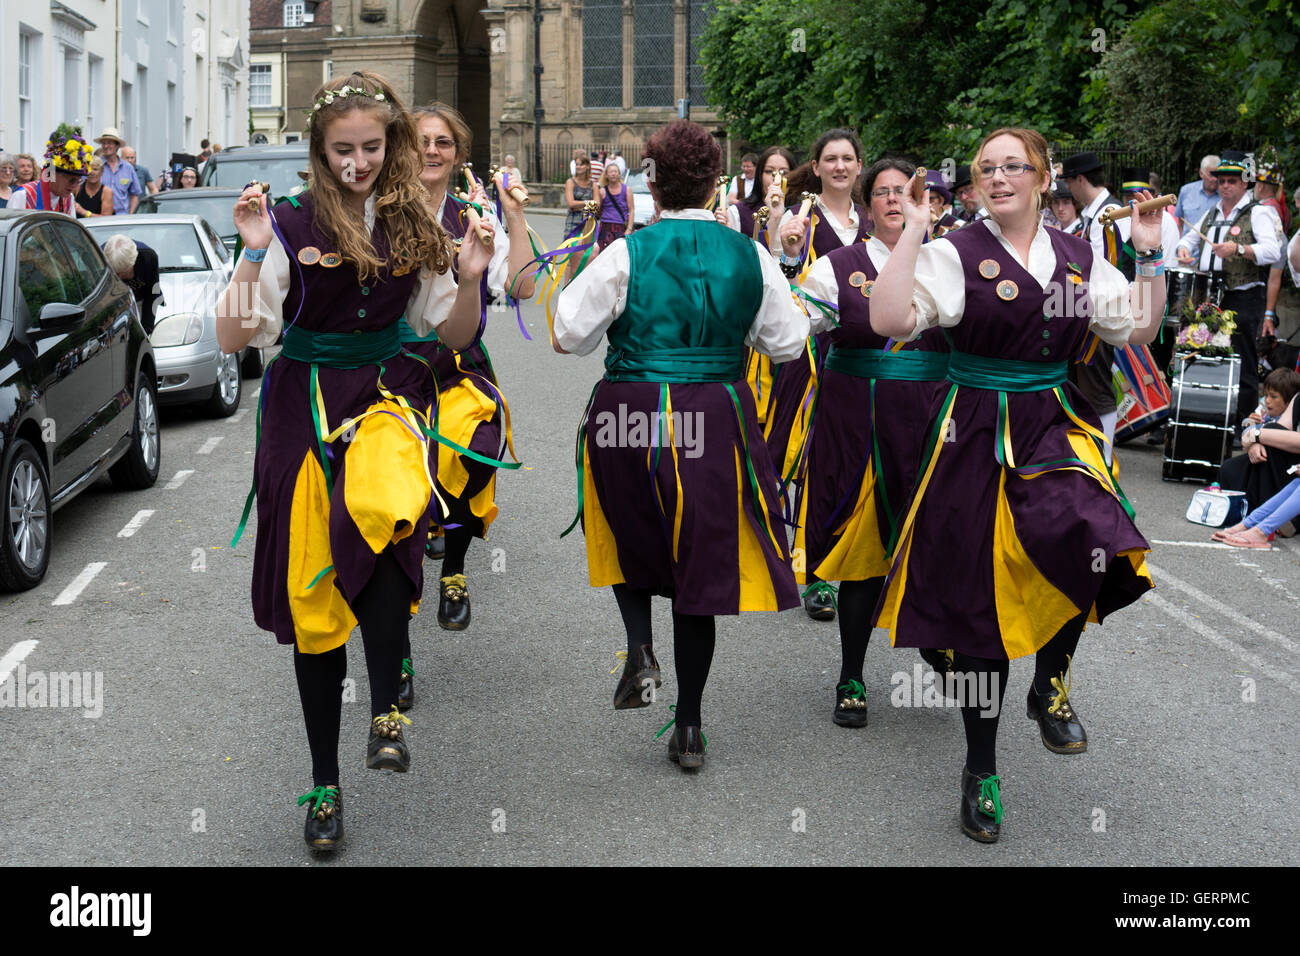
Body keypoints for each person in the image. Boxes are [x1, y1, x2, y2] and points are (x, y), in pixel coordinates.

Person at [213, 71, 491, 852]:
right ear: (318, 149)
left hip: (383, 402)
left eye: (373, 147)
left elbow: (457, 334)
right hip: (302, 413)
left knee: (389, 547)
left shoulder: (412, 224)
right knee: (314, 601)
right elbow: (236, 339)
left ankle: (386, 715)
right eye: (344, 150)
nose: (359, 163)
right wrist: (250, 252)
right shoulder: (288, 220)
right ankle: (325, 783)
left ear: (393, 144)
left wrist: (469, 278)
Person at [869, 126, 1163, 843]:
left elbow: (1138, 331)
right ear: (975, 184)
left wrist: (1154, 254)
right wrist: (911, 231)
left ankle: (1050, 684)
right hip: (972, 428)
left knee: (1094, 536)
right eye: (986, 168)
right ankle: (981, 769)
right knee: (981, 610)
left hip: (1054, 422)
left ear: (1042, 175)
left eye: (1013, 166)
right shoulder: (951, 252)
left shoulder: (1080, 256)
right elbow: (886, 319)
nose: (999, 178)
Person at [553, 119, 808, 770]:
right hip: (712, 416)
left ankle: (639, 646)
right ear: (717, 182)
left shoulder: (625, 253)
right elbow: (787, 343)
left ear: (654, 184)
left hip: (630, 413)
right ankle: (689, 725)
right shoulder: (747, 256)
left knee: (625, 526)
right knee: (699, 563)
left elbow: (567, 334)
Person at [795, 157, 952, 727]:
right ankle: (852, 676)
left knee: (934, 542)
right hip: (857, 424)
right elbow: (791, 327)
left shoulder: (952, 264)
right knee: (863, 554)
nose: (894, 200)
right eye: (882, 192)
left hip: (934, 425)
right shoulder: (837, 267)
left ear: (926, 202)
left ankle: (939, 644)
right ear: (866, 205)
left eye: (904, 191)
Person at [400, 101, 537, 647]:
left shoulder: (473, 216)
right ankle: (396, 640)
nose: (431, 150)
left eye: (443, 143)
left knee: (479, 448)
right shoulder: (381, 212)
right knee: (396, 491)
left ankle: (452, 567)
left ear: (457, 156)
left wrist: (514, 213)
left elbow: (524, 287)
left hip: (459, 366)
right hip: (395, 368)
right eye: (421, 141)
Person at [771, 128, 870, 622]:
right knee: (812, 460)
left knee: (859, 458)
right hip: (812, 356)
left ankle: (859, 557)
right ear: (815, 166)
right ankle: (814, 572)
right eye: (830, 158)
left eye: (847, 158)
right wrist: (788, 255)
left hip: (868, 357)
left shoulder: (875, 221)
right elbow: (781, 291)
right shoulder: (800, 220)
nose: (839, 166)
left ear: (858, 165)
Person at [1176, 150, 1285, 425]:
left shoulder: (1257, 213)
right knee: (1199, 355)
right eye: (1221, 180)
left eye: (1231, 181)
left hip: (1244, 296)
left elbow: (1273, 251)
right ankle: (1201, 414)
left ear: (1244, 184)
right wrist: (1182, 250)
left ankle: (1242, 423)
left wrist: (1238, 248)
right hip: (1208, 295)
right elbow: (1188, 239)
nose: (1225, 185)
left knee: (1244, 361)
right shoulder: (1210, 213)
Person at [1062, 150, 1134, 454]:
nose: (1069, 190)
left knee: (1096, 386)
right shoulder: (1097, 213)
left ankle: (1102, 460)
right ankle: (1089, 455)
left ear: (1080, 180)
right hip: (1091, 308)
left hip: (1100, 310)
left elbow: (1107, 269)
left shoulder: (1108, 215)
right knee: (1084, 384)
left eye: (1069, 182)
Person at [1217, 369, 1300, 511]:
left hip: (1289, 463)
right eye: (1266, 395)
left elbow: (1273, 431)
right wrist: (1254, 440)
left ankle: (1263, 512)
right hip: (1269, 452)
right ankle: (1229, 506)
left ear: (1288, 400)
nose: (1267, 400)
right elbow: (1249, 432)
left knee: (1264, 455)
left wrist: (1256, 436)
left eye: (1273, 397)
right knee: (1229, 468)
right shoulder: (1266, 411)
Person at [7, 126, 90, 215]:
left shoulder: (69, 198)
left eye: (78, 181)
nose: (74, 186)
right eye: (71, 180)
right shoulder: (23, 195)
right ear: (52, 174)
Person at [102, 234, 162, 333]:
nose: (120, 278)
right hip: (112, 303)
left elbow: (152, 295)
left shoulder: (148, 257)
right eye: (116, 274)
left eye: (124, 272)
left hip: (141, 301)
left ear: (133, 262)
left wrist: (146, 330)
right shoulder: (98, 259)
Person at [95, 127, 141, 215]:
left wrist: (130, 215)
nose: (105, 146)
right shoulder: (96, 166)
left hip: (121, 218)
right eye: (103, 143)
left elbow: (134, 195)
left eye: (109, 143)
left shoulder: (128, 168)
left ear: (117, 146)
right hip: (99, 217)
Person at [1175, 154, 1220, 241]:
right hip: (1188, 251)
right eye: (1211, 175)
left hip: (1213, 250)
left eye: (1217, 175)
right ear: (1201, 173)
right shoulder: (1186, 191)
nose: (1215, 179)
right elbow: (1180, 221)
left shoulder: (1225, 196)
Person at [593, 161, 633, 253]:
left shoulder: (627, 190)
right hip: (605, 226)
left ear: (619, 174)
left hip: (620, 227)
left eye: (615, 171)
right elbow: (599, 210)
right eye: (611, 172)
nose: (613, 174)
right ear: (606, 175)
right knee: (603, 254)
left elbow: (631, 210)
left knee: (619, 255)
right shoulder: (602, 191)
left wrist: (629, 228)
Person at [564, 150, 595, 238]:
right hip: (573, 221)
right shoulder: (570, 182)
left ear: (588, 166)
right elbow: (571, 203)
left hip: (588, 222)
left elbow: (597, 204)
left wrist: (578, 205)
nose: (578, 167)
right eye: (577, 164)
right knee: (570, 249)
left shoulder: (593, 185)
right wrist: (589, 202)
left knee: (587, 250)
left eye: (581, 164)